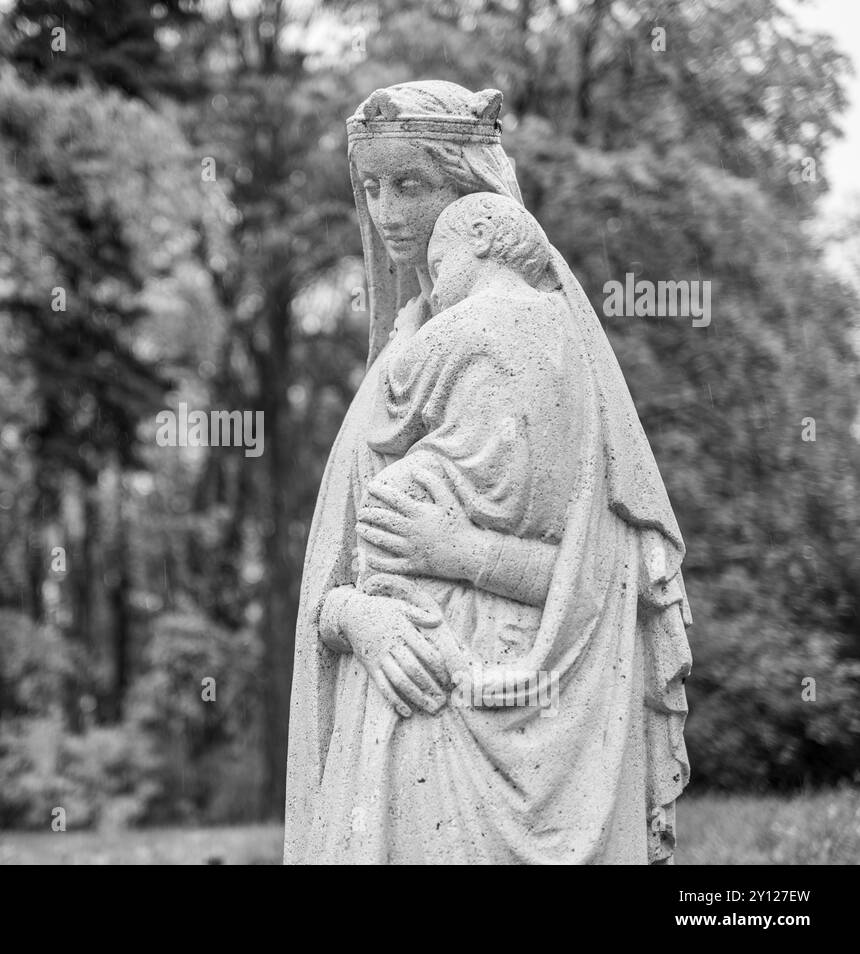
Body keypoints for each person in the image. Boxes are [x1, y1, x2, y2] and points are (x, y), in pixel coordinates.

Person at [284, 81, 692, 864]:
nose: (389, 213)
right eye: (372, 188)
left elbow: (626, 580)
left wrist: (463, 553)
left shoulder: (540, 347)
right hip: (402, 692)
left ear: (470, 191)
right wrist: (356, 621)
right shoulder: (404, 355)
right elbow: (337, 569)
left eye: (412, 185)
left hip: (528, 715)